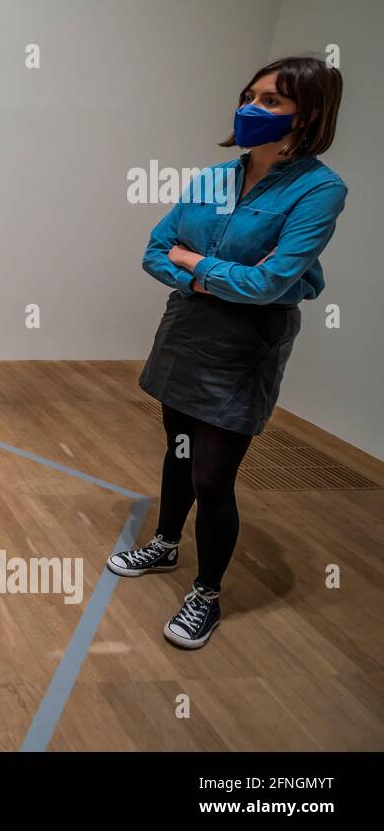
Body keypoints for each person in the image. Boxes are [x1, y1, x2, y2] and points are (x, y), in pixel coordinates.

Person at [111, 56, 346, 649]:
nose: (252, 108)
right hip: (188, 333)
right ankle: (165, 544)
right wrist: (208, 273)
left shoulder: (320, 191)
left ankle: (206, 593)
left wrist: (195, 262)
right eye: (250, 95)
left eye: (271, 101)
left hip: (244, 349)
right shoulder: (215, 177)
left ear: (309, 113)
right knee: (179, 449)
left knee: (214, 479)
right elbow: (155, 251)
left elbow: (269, 286)